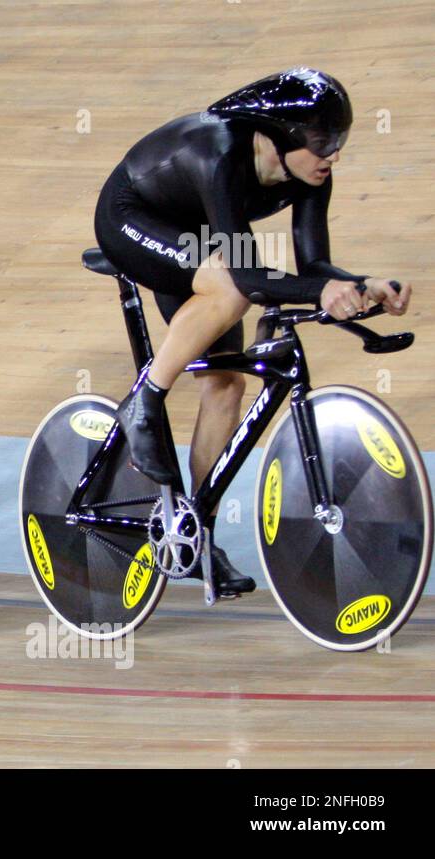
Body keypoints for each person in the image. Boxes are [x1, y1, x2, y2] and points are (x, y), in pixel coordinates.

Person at [94, 68, 413, 595]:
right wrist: (317, 293)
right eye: (322, 142)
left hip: (197, 236)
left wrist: (361, 284)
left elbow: (313, 264)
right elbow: (245, 278)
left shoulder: (311, 173)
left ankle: (194, 532)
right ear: (280, 136)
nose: (332, 155)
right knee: (235, 288)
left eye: (339, 142)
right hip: (131, 217)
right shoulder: (219, 152)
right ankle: (144, 400)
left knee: (226, 385)